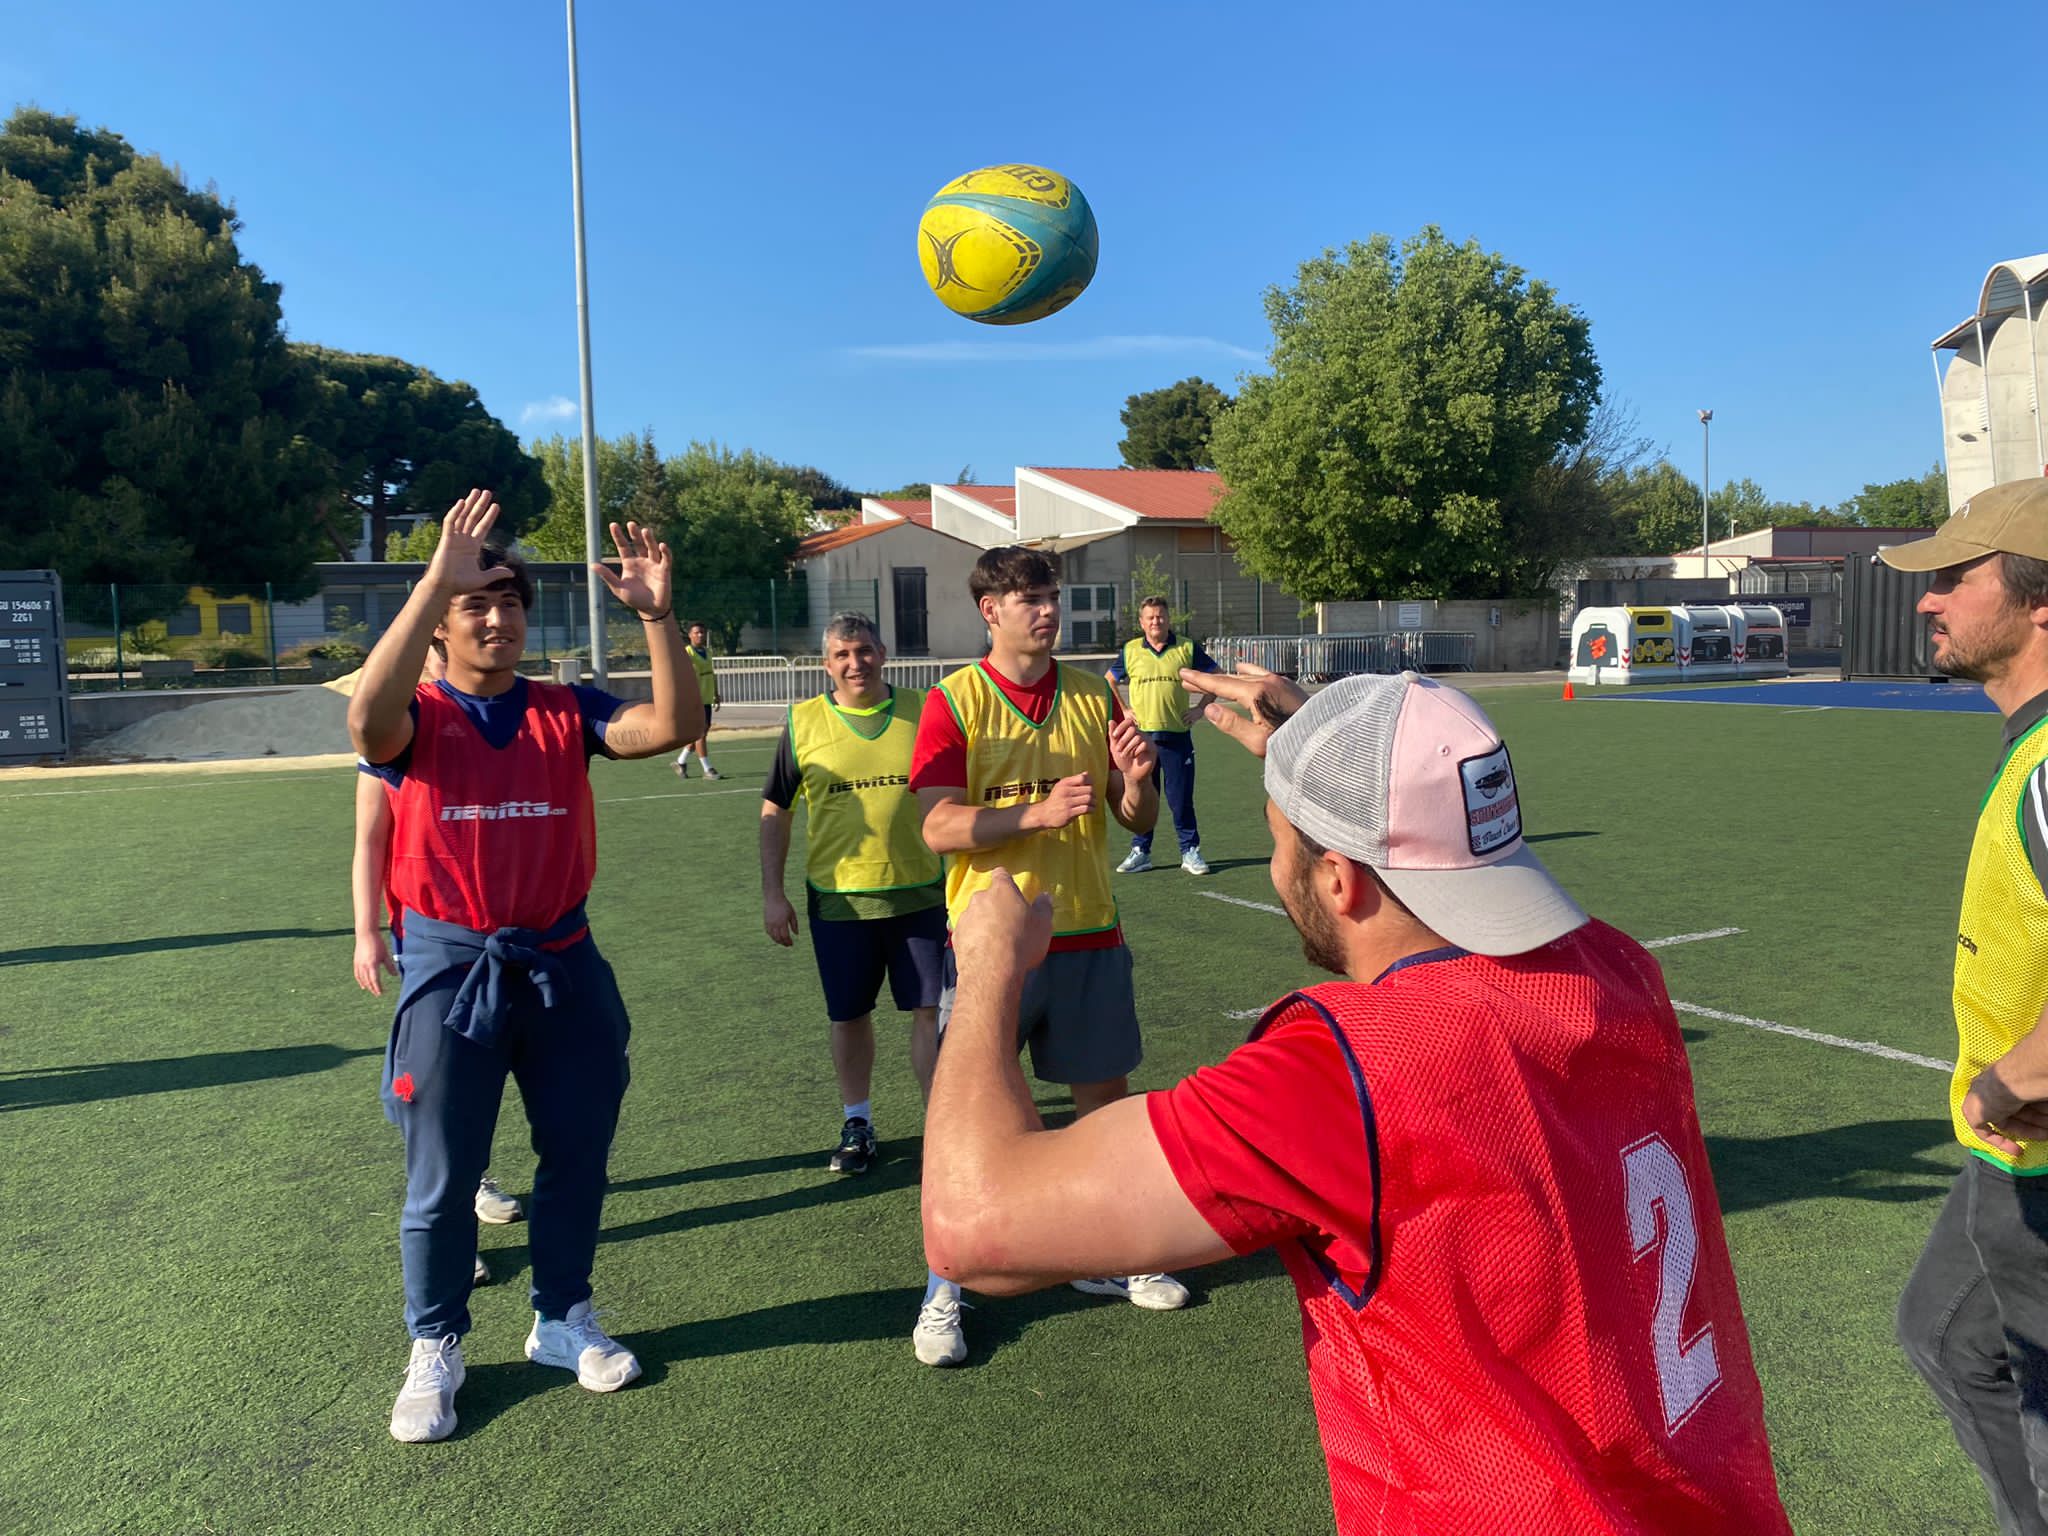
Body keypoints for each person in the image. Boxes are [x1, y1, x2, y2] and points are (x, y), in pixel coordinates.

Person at [921, 663, 1791, 1532]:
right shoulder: (1620, 969)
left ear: (1338, 879)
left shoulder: (1342, 1073)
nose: (1273, 867)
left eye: (1277, 844)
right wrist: (1331, 752)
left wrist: (990, 962)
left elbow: (972, 1230)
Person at [348, 489, 699, 1443]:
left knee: (577, 1154)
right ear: (445, 620)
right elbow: (363, 727)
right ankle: (436, 1344)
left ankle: (561, 1317)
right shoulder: (413, 717)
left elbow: (672, 724)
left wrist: (659, 620)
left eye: (510, 603)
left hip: (562, 964)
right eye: (478, 603)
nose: (498, 618)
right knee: (443, 1173)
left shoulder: (566, 709)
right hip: (450, 969)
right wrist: (432, 582)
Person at [906, 545, 1185, 1368]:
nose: (1046, 608)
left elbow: (1135, 819)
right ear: (989, 610)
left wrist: (1137, 780)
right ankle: (943, 1289)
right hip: (993, 944)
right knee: (971, 1124)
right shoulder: (953, 700)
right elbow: (936, 826)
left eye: (1049, 594)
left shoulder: (1097, 693)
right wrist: (1031, 816)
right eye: (1027, 597)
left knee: (1103, 1111)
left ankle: (1117, 1256)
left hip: (1090, 927)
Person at [1885, 480, 2048, 1536]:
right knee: (1943, 1338)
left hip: (2036, 1156)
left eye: (1953, 578)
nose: (1925, 601)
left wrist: (2008, 1079)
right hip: (2009, 1162)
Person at [350, 644, 521, 1288]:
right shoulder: (390, 742)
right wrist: (367, 932)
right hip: (423, 943)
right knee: (425, 1084)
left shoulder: (478, 726)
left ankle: (472, 1179)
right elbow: (369, 841)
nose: (427, 675)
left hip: (494, 938)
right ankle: (453, 1219)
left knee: (484, 1068)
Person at [760, 611, 945, 1175]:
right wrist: (773, 892)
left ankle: (941, 1127)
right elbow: (776, 810)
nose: (854, 663)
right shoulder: (803, 722)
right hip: (839, 901)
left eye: (863, 651)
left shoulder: (924, 710)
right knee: (848, 1015)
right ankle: (857, 1121)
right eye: (842, 655)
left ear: (883, 652)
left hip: (921, 896)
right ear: (826, 664)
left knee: (929, 1012)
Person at [1105, 596, 1221, 876]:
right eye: (1150, 617)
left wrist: (1200, 710)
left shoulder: (1186, 647)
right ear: (1141, 623)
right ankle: (1141, 851)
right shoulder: (1131, 650)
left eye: (1160, 616)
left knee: (1180, 799)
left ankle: (1189, 851)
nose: (1156, 621)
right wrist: (1124, 710)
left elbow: (1217, 677)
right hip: (1142, 740)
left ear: (1168, 619)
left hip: (1177, 737)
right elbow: (1109, 680)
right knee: (1144, 796)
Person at [674, 620, 721, 779]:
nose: (700, 635)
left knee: (702, 731)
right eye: (696, 632)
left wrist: (716, 693)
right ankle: (707, 769)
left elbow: (711, 673)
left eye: (702, 632)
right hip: (694, 699)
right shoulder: (686, 652)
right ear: (690, 635)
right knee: (700, 733)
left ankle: (680, 762)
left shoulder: (708, 652)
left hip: (706, 697)